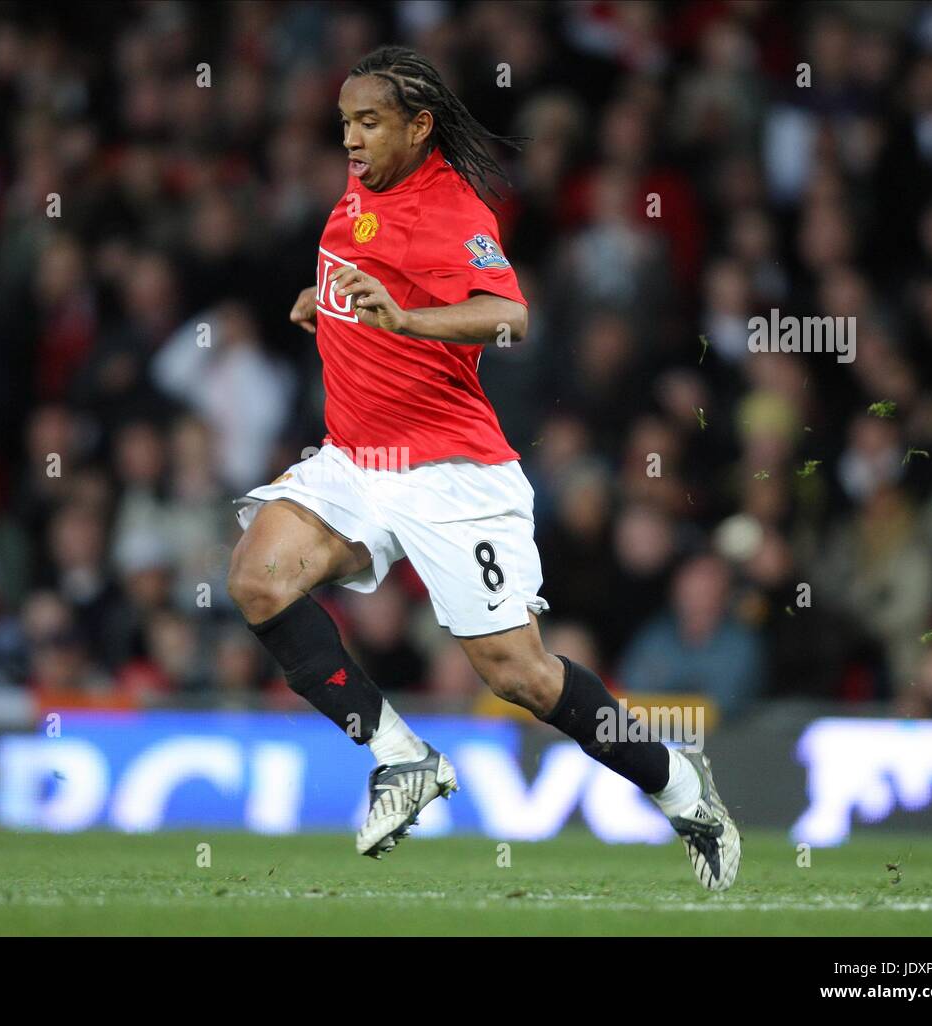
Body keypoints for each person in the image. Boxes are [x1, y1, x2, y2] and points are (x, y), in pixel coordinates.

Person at [227, 46, 740, 890]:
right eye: (346, 123)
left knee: (521, 678)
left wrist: (407, 317)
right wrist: (321, 300)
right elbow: (363, 268)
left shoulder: (450, 207)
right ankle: (401, 758)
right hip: (357, 458)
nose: (351, 140)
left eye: (369, 123)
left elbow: (511, 317)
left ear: (418, 126)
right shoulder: (366, 187)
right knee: (257, 577)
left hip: (452, 471)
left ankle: (679, 784)